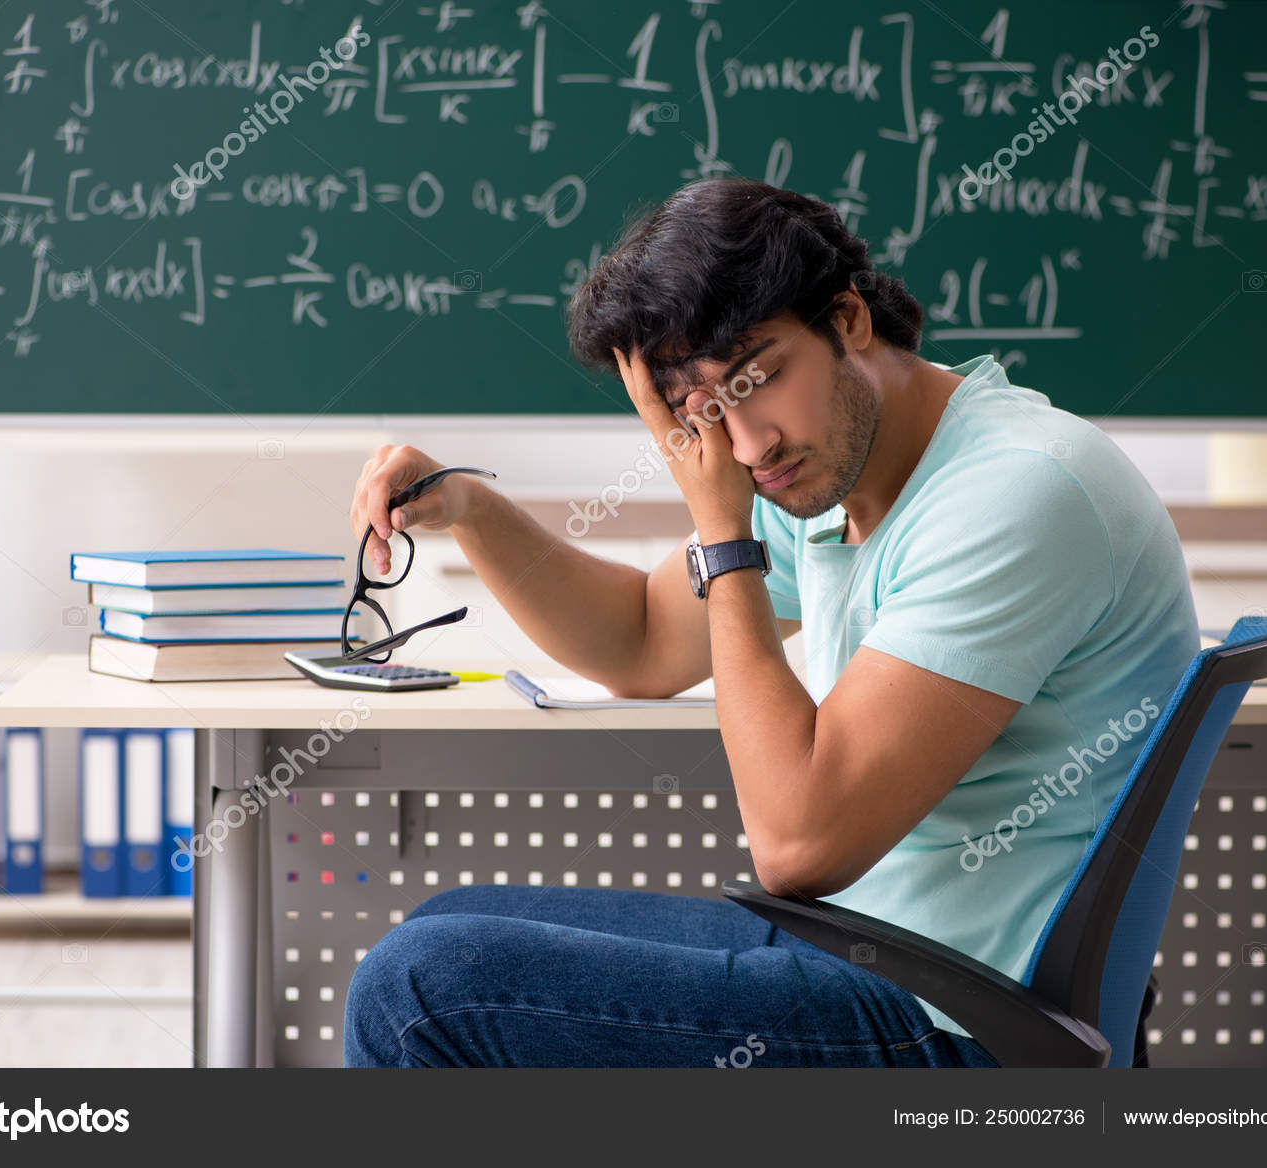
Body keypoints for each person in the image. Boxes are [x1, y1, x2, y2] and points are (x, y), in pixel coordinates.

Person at [342, 177, 1199, 1067]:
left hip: (967, 1023)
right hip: (867, 945)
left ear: (848, 319)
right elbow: (639, 642)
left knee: (415, 988)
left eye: (756, 379)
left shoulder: (1016, 490)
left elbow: (797, 845)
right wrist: (474, 512)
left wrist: (724, 530)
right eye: (700, 412)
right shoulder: (839, 477)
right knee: (445, 923)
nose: (747, 445)